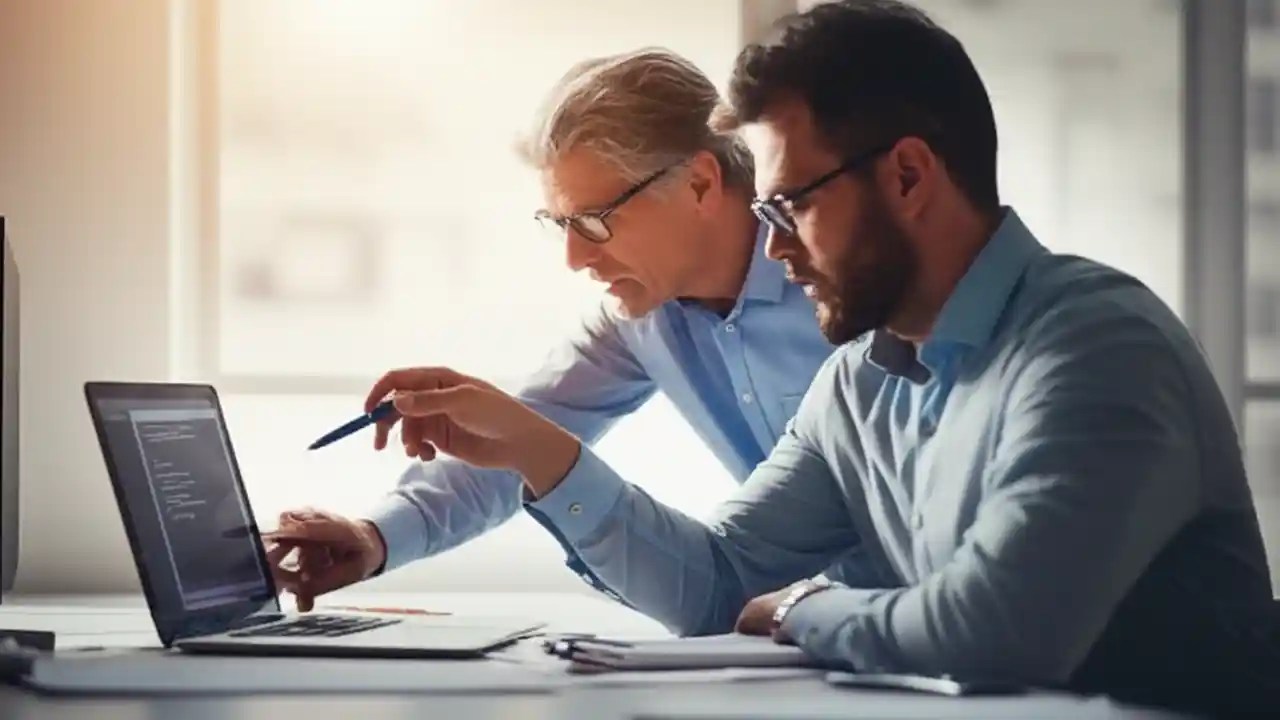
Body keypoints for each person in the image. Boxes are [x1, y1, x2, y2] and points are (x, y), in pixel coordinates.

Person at [349, 0, 1279, 711]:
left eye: (790, 205)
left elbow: (995, 636)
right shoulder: (859, 382)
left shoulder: (1093, 345)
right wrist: (543, 459)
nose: (776, 246)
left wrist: (800, 610)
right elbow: (719, 584)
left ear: (908, 175)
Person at [266, 48, 839, 611]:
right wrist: (374, 539)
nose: (572, 258)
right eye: (560, 224)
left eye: (593, 221)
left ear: (699, 184)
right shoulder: (641, 319)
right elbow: (513, 442)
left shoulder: (848, 293)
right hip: (815, 631)